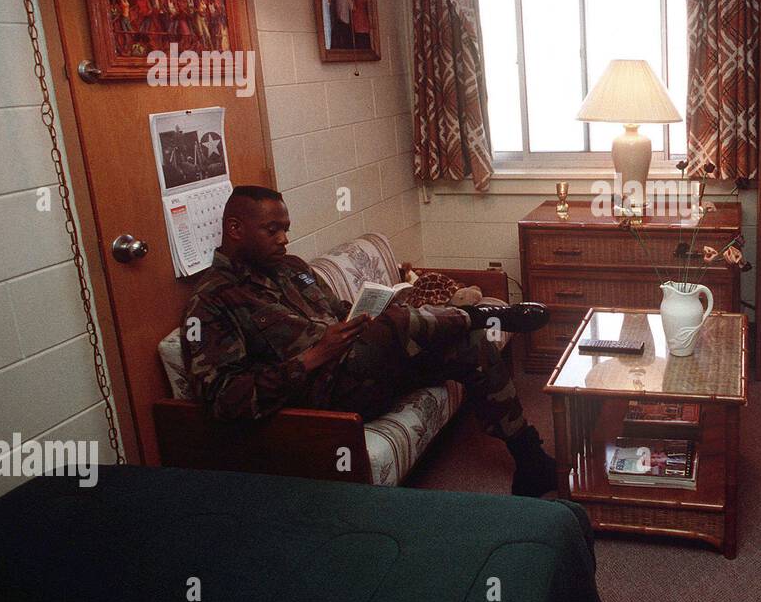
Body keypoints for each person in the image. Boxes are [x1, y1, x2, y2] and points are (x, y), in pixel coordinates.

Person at [181, 185, 559, 497]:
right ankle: (469, 313)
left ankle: (530, 460)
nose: (284, 239)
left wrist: (364, 313)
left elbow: (338, 310)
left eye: (286, 228)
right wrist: (312, 357)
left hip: (366, 365)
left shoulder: (291, 269)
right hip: (322, 397)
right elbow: (223, 401)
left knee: (470, 342)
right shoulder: (213, 302)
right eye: (272, 231)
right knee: (396, 326)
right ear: (235, 229)